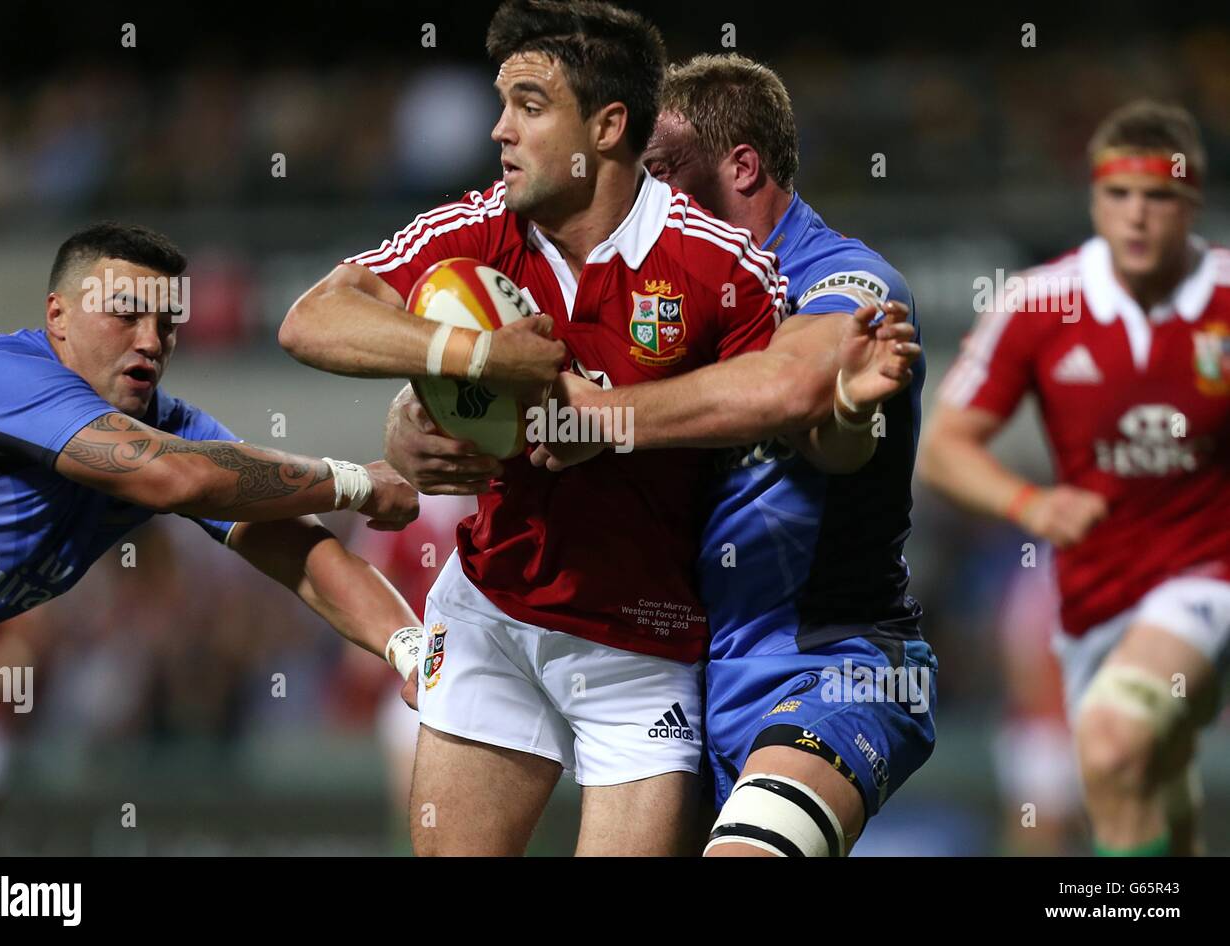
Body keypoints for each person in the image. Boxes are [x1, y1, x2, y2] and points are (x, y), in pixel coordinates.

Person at [280, 0, 799, 856]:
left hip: (643, 643)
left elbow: (776, 399)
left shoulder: (719, 267)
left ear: (607, 126)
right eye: (502, 104)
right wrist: (468, 364)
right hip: (491, 613)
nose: (499, 131)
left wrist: (614, 420)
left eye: (528, 105)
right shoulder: (478, 227)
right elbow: (313, 319)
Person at [387, 54, 928, 857]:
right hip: (683, 665)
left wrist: (596, 417)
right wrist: (414, 422)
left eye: (663, 170)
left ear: (742, 168)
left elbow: (800, 391)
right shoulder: (658, 286)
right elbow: (516, 397)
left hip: (826, 659)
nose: (642, 193)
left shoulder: (840, 278)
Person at [919, 99, 1230, 856]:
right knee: (1136, 782)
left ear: (1192, 201)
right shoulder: (1038, 302)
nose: (1136, 216)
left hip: (1207, 574)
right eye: (1118, 194)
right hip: (1089, 592)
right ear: (1094, 199)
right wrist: (1029, 502)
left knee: (1114, 740)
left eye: (1158, 196)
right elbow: (944, 446)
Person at [0, 222, 424, 699]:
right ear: (58, 316)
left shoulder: (169, 430)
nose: (151, 342)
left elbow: (304, 555)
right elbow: (177, 478)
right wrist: (356, 483)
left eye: (166, 325)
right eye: (126, 315)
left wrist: (414, 653)